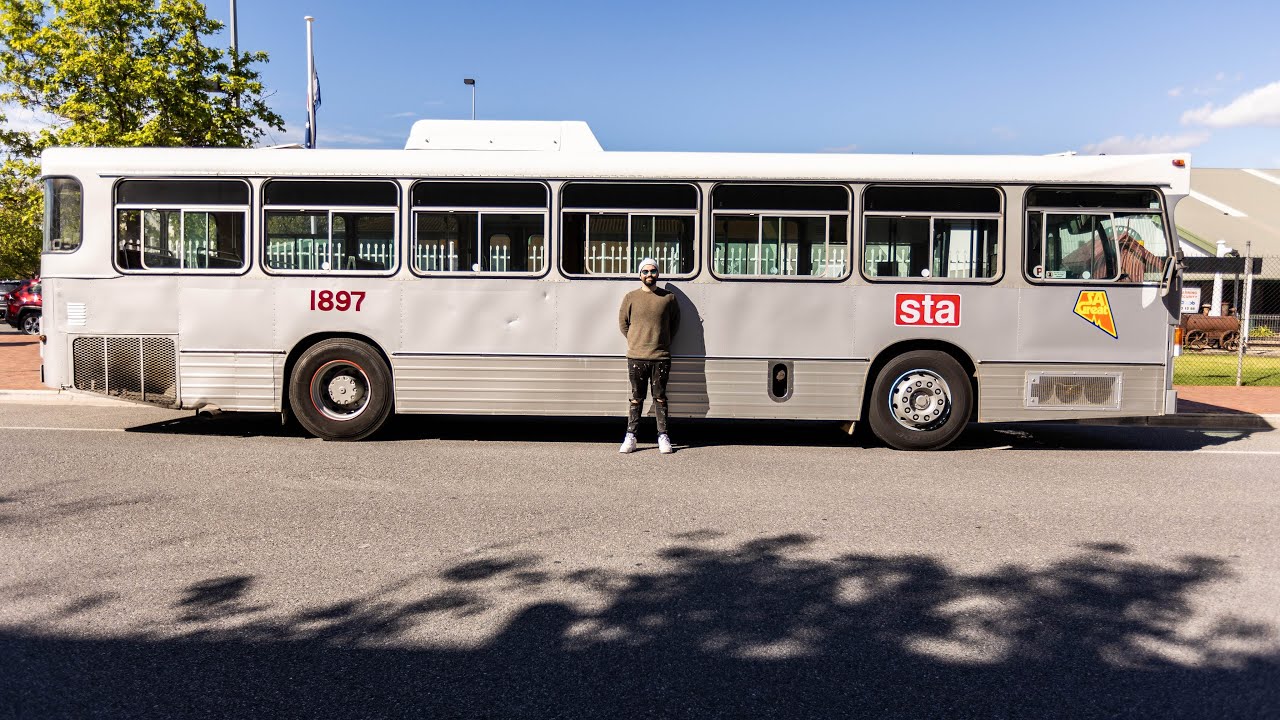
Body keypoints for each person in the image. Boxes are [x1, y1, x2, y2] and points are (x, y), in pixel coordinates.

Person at [617, 258, 681, 454]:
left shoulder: (668, 298)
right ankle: (631, 436)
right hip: (636, 356)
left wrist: (662, 341)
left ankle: (663, 436)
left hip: (661, 356)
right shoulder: (630, 297)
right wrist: (636, 340)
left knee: (660, 398)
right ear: (639, 275)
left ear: (658, 274)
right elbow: (623, 324)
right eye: (645, 271)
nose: (649, 274)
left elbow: (675, 324)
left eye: (653, 271)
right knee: (637, 398)